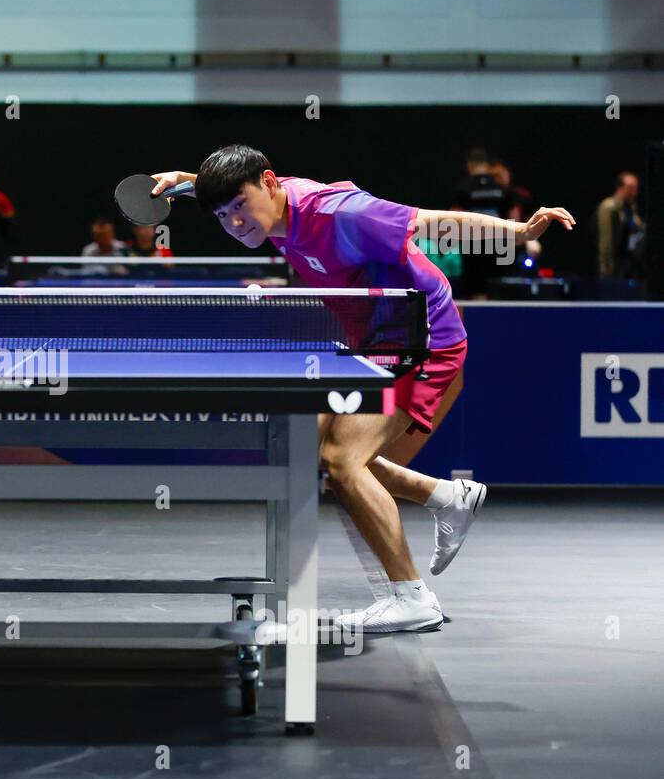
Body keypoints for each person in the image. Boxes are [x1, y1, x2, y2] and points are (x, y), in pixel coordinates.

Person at [151, 145, 574, 633]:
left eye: (240, 206)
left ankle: (412, 598)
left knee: (343, 461)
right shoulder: (270, 209)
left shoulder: (339, 214)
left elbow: (431, 222)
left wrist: (518, 233)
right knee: (310, 446)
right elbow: (233, 191)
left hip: (422, 334)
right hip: (374, 338)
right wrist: (188, 182)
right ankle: (447, 497)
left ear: (269, 183)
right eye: (223, 216)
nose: (235, 223)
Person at [451, 148, 519, 299]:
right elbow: (514, 215)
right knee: (499, 287)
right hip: (500, 244)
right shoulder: (502, 189)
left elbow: (454, 219)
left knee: (477, 290)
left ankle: (480, 320)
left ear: (469, 166)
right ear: (487, 166)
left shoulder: (463, 189)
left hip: (473, 246)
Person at [596, 172, 646, 280]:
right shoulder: (609, 207)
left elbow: (637, 227)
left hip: (629, 263)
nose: (634, 192)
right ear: (621, 187)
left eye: (635, 188)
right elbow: (606, 239)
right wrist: (605, 265)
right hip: (615, 262)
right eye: (630, 188)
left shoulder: (630, 207)